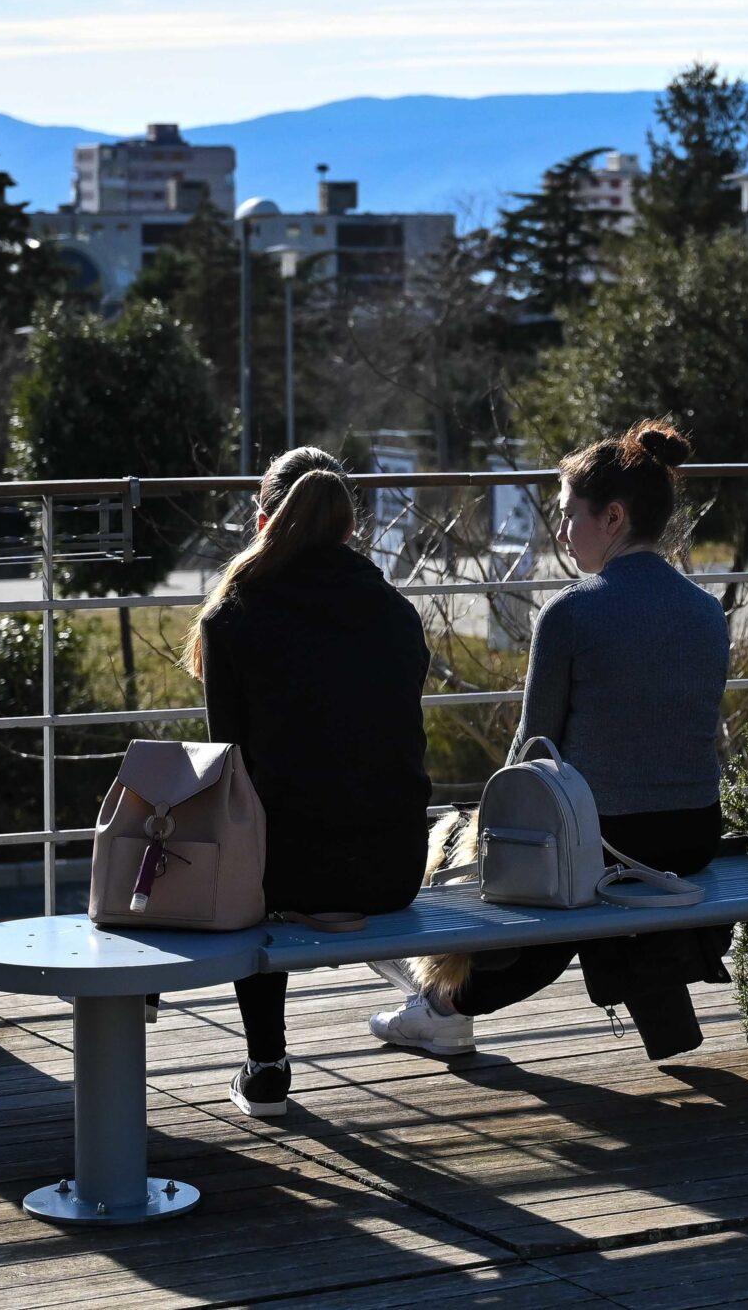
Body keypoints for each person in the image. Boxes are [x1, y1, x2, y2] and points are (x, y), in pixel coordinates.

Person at [370, 419, 730, 1061]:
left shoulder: (572, 611)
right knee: (580, 871)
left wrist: (481, 832)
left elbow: (531, 754)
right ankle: (438, 1004)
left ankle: (439, 1003)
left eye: (569, 517)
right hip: (692, 833)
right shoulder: (706, 611)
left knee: (522, 868)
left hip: (604, 842)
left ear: (613, 517)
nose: (561, 534)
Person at [190, 446, 431, 1116]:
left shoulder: (232, 616)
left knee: (251, 851)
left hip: (286, 877)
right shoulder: (394, 610)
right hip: (394, 866)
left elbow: (231, 777)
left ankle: (266, 1063)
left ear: (264, 520)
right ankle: (438, 999)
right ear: (349, 527)